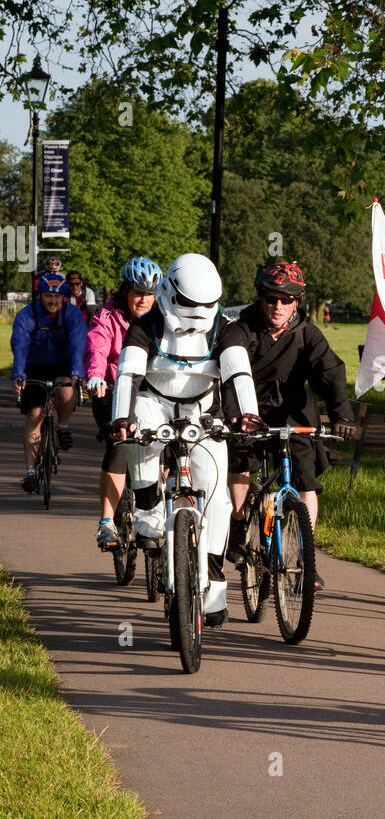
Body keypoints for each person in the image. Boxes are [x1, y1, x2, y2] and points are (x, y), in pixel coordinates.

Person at [110, 253, 261, 627]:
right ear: (171, 294)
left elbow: (238, 373)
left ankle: (211, 577)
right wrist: (120, 419)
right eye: (191, 304)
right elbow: (128, 374)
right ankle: (147, 506)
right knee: (139, 430)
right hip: (154, 403)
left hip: (202, 412)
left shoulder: (226, 329)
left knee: (217, 499)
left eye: (205, 305)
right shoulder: (145, 327)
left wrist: (247, 413)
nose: (198, 312)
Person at [223, 261, 358, 588]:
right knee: (241, 463)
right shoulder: (242, 328)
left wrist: (342, 415)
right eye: (272, 298)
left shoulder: (306, 333)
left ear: (297, 301)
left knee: (306, 483)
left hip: (293, 414)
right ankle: (240, 522)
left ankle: (306, 559)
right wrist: (237, 414)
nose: (278, 306)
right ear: (260, 298)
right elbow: (229, 369)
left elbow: (331, 374)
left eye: (287, 299)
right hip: (248, 410)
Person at [84, 257, 162, 548]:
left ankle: (157, 508)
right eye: (138, 293)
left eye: (150, 294)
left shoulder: (161, 319)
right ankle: (106, 522)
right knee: (120, 441)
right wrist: (95, 376)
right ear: (125, 291)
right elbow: (98, 348)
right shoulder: (107, 317)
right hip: (112, 388)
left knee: (165, 442)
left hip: (151, 392)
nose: (144, 300)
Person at [12, 272, 87, 489]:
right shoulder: (28, 315)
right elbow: (20, 345)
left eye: (57, 297)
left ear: (63, 297)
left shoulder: (72, 315)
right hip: (33, 366)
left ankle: (63, 426)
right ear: (40, 296)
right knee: (34, 415)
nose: (52, 301)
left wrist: (76, 374)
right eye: (47, 296)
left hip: (62, 364)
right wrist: (19, 374)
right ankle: (30, 471)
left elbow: (77, 345)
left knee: (65, 388)